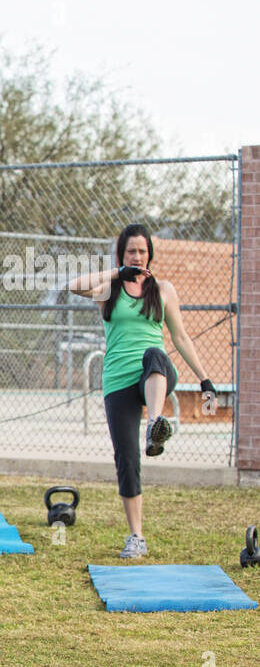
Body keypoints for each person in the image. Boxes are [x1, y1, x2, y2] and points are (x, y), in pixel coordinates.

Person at [68, 224, 214, 558]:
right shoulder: (109, 289)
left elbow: (180, 337)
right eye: (131, 251)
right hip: (118, 380)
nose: (138, 256)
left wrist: (204, 379)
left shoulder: (162, 289)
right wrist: (120, 272)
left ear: (150, 254)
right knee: (127, 459)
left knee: (155, 354)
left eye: (142, 251)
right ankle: (136, 536)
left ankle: (155, 425)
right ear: (122, 255)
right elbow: (74, 286)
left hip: (156, 375)